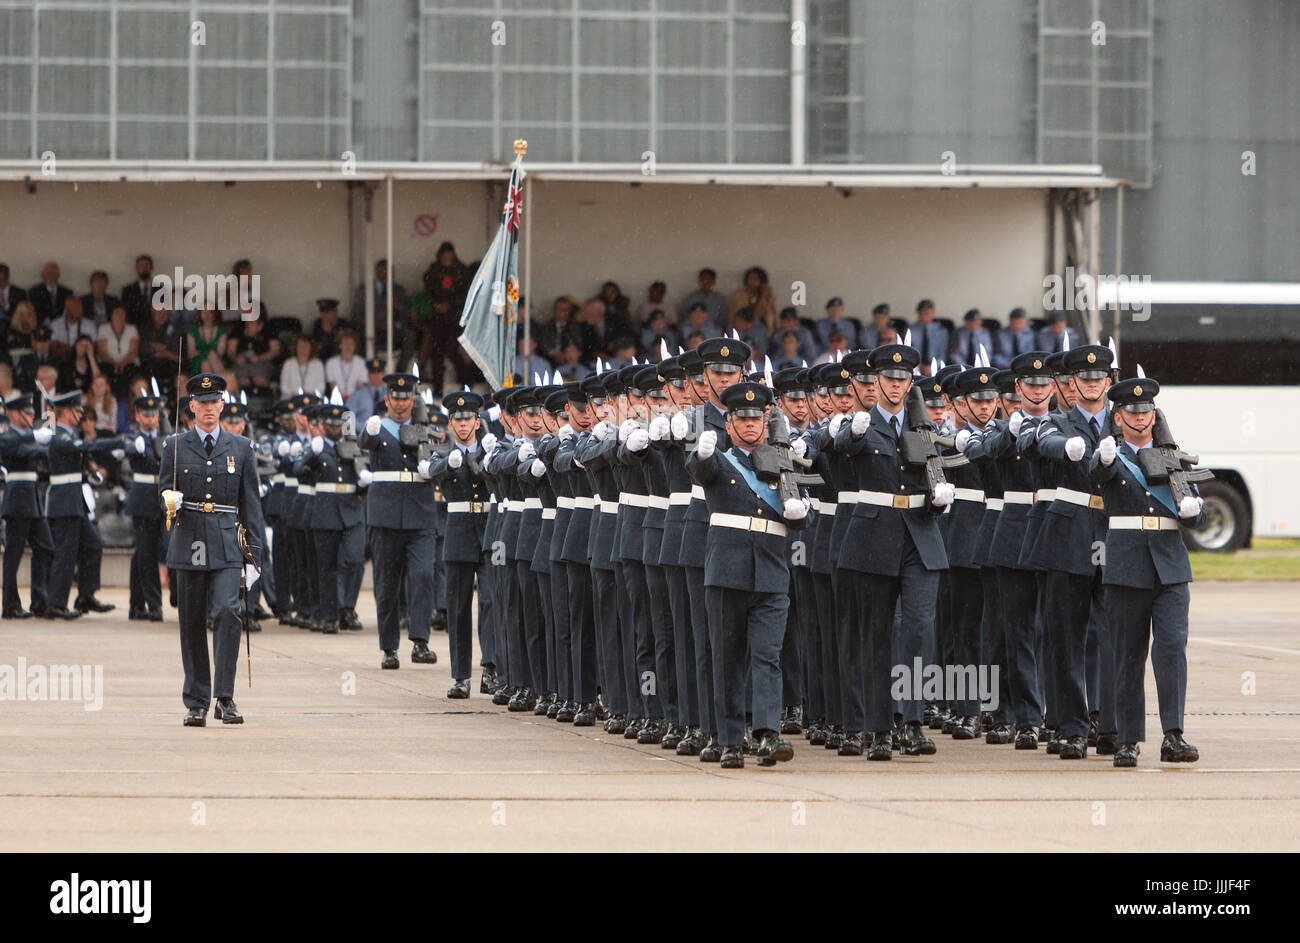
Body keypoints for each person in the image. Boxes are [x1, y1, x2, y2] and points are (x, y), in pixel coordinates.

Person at [686, 379, 809, 769]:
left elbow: (801, 513)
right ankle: (728, 739)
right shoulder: (721, 460)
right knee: (727, 658)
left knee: (767, 656)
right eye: (742, 418)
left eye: (757, 418)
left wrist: (802, 513)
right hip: (728, 570)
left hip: (771, 570)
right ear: (730, 422)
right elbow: (700, 472)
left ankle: (768, 734)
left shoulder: (782, 460)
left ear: (766, 418)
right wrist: (701, 454)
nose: (751, 425)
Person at [1089, 377, 1203, 767]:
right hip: (1127, 563)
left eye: (1147, 412)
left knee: (1171, 649)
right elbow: (1097, 477)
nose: (1141, 419)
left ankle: (1173, 734)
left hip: (1170, 565)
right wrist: (1103, 459)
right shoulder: (1110, 455)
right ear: (1118, 417)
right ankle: (1127, 738)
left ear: (1154, 415)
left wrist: (1195, 510)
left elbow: (1195, 507)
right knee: (1128, 654)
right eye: (1132, 413)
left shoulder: (1171, 454)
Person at [159, 373, 266, 727]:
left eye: (214, 402)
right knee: (191, 623)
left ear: (222, 405)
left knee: (226, 613)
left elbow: (251, 506)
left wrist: (254, 558)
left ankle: (225, 696)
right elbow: (163, 493)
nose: (208, 408)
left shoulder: (242, 448)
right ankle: (196, 700)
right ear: (191, 406)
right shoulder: (174, 447)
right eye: (201, 403)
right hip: (189, 540)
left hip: (225, 543)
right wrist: (167, 500)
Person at [360, 369, 439, 668]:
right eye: (396, 398)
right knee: (387, 583)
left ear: (414, 399)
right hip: (386, 514)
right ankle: (389, 648)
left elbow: (437, 456)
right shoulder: (377, 427)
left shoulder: (426, 429)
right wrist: (369, 430)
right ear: (387, 398)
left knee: (422, 576)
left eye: (407, 398)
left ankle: (420, 641)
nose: (401, 403)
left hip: (419, 513)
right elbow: (362, 442)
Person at [425, 391, 492, 697]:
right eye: (458, 420)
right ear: (450, 424)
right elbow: (430, 471)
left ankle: (491, 668)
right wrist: (451, 463)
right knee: (459, 607)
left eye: (468, 419)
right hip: (459, 533)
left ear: (478, 422)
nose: (463, 425)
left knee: (491, 604)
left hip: (491, 532)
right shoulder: (442, 453)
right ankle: (461, 676)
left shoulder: (492, 448)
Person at [44, 389, 126, 618]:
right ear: (67, 412)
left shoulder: (68, 435)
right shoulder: (60, 436)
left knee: (93, 546)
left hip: (74, 502)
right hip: (64, 503)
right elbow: (85, 447)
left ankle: (86, 596)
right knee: (65, 554)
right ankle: (56, 604)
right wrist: (115, 442)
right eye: (76, 410)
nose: (80, 414)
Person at [298, 401, 367, 634]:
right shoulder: (317, 448)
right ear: (323, 424)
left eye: (339, 423)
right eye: (330, 423)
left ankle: (347, 607)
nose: (335, 427)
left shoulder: (354, 446)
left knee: (355, 560)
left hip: (351, 511)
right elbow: (299, 471)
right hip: (325, 512)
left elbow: (364, 473)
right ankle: (329, 615)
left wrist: (364, 481)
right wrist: (312, 456)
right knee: (326, 567)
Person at [0, 394, 55, 618]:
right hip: (17, 500)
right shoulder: (8, 437)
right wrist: (41, 438)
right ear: (14, 414)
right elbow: (23, 450)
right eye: (28, 413)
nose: (32, 416)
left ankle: (40, 600)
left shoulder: (25, 437)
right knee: (13, 556)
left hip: (31, 499)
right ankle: (10, 605)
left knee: (45, 548)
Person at [124, 392, 168, 621]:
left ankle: (135, 604)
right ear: (138, 416)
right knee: (147, 554)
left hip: (164, 498)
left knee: (145, 553)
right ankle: (154, 604)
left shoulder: (166, 437)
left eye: (154, 414)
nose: (150, 418)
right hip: (143, 500)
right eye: (145, 414)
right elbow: (129, 448)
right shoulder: (135, 439)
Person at [728, 267, 778, 335]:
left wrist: (764, 296)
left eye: (756, 279)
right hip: (740, 331)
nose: (752, 281)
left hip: (764, 332)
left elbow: (773, 318)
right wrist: (763, 297)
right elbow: (752, 317)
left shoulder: (769, 297)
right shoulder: (739, 295)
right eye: (750, 278)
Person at [324, 329, 367, 399]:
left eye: (351, 344)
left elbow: (360, 387)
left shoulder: (362, 363)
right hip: (337, 399)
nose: (348, 347)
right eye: (345, 344)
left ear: (355, 346)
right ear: (340, 345)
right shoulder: (331, 363)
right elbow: (333, 387)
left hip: (356, 399)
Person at [346, 357, 388, 428]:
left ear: (384, 374)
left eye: (379, 372)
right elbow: (348, 417)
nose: (376, 376)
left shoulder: (390, 394)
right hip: (361, 435)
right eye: (373, 373)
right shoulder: (357, 394)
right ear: (368, 375)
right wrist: (366, 428)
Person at [187, 308, 228, 375]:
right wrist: (207, 352)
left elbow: (220, 353)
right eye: (204, 311)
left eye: (209, 311)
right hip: (196, 362)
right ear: (200, 313)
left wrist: (202, 352)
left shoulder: (221, 329)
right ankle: (224, 382)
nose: (206, 314)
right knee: (210, 354)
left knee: (205, 363)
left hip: (215, 360)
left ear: (215, 313)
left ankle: (214, 384)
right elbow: (191, 354)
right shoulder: (193, 330)